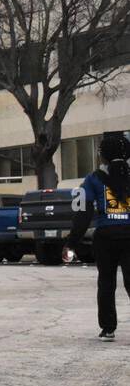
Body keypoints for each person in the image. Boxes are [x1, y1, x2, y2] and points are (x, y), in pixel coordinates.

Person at [65, 132, 130, 340]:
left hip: (105, 236)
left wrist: (71, 242)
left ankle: (108, 328)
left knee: (106, 282)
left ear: (103, 156)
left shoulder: (93, 179)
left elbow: (83, 213)